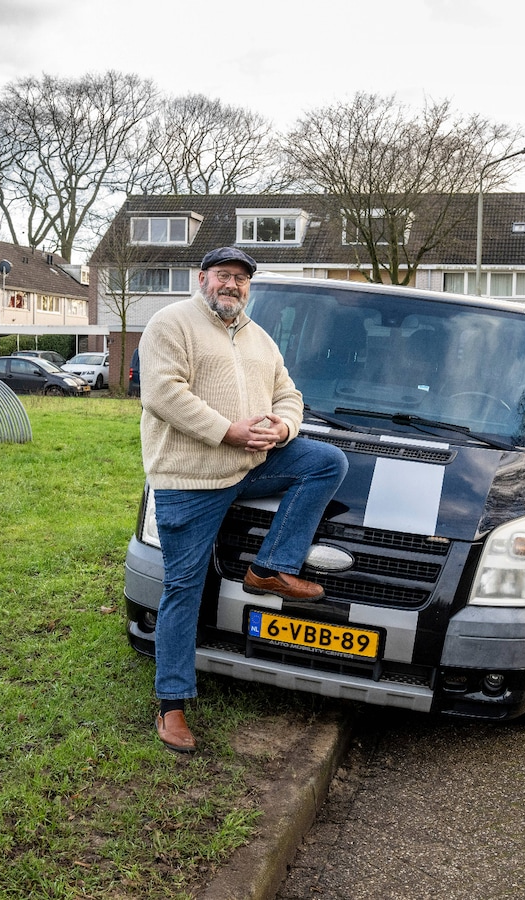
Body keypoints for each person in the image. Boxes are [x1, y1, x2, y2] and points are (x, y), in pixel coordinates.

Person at [140, 246, 348, 754]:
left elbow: (289, 394)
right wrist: (226, 431)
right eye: (223, 275)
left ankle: (270, 566)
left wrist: (283, 426)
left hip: (248, 467)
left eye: (240, 278)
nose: (231, 284)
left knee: (325, 461)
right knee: (183, 589)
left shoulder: (259, 337)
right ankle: (172, 704)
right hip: (189, 480)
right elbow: (162, 393)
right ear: (202, 278)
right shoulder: (171, 323)